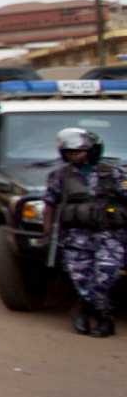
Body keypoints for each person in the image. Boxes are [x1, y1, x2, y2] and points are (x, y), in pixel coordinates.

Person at [44, 127, 124, 338]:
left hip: (109, 235)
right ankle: (96, 314)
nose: (74, 156)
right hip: (76, 236)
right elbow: (50, 205)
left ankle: (98, 313)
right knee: (81, 278)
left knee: (105, 275)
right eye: (70, 153)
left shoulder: (113, 172)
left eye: (78, 151)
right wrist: (47, 234)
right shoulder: (59, 175)